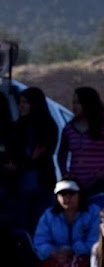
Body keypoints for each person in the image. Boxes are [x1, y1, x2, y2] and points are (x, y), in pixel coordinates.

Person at [4, 86, 61, 231]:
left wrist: (19, 165)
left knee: (42, 223)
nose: (21, 106)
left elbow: (38, 154)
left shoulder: (47, 126)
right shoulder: (17, 127)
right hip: (20, 186)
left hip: (41, 183)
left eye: (25, 103)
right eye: (20, 102)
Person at [57, 86, 104, 204]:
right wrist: (66, 174)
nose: (74, 106)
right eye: (73, 102)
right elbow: (61, 156)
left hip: (99, 186)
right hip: (76, 187)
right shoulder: (68, 129)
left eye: (78, 103)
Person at [35, 179, 101, 267]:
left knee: (76, 264)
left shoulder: (93, 212)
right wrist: (53, 252)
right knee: (51, 265)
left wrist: (74, 250)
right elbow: (40, 241)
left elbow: (96, 240)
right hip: (57, 257)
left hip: (87, 258)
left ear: (79, 195)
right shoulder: (48, 216)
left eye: (71, 193)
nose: (67, 198)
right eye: (62, 194)